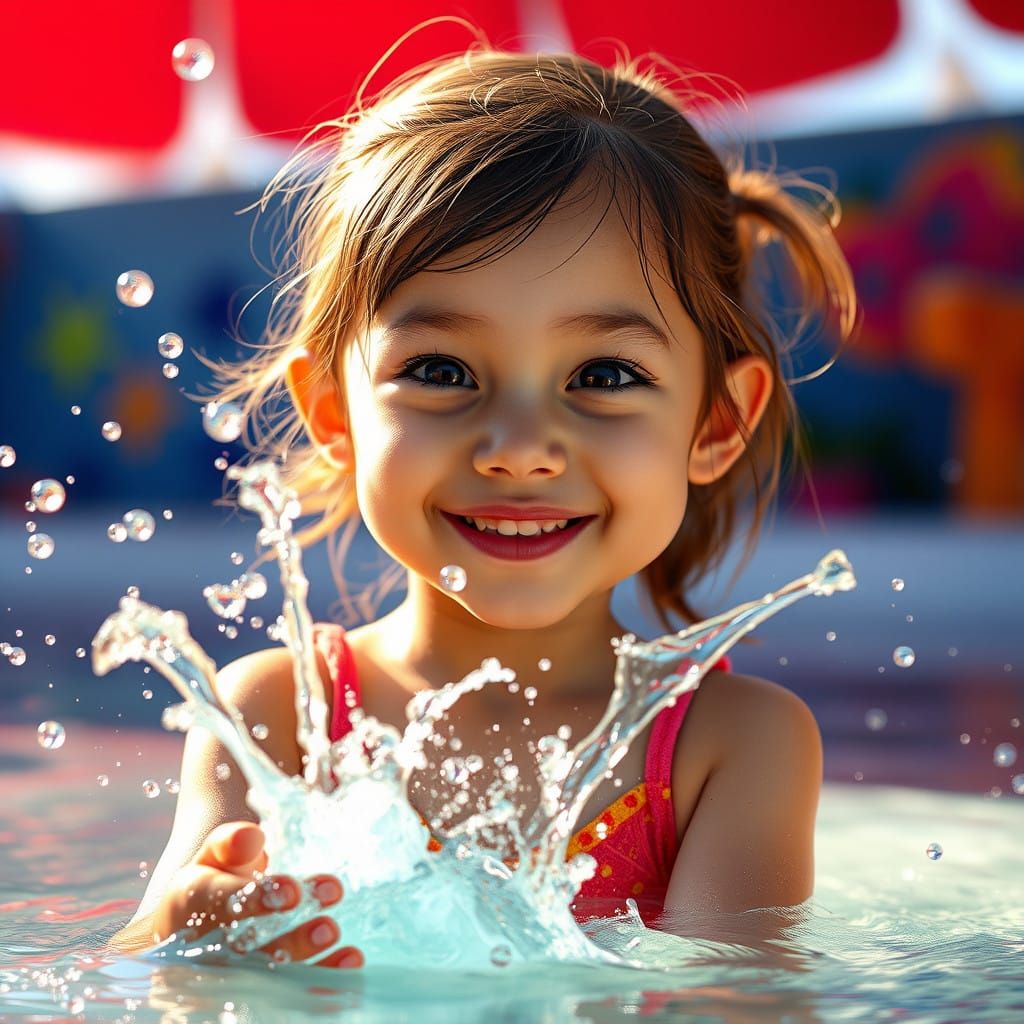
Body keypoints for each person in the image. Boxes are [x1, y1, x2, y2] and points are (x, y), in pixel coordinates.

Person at [109, 38, 857, 967]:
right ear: (333, 413)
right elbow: (151, 967)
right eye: (439, 370)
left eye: (603, 374)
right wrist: (196, 934)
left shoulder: (731, 748)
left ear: (713, 422)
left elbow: (734, 1002)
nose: (517, 450)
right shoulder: (276, 712)